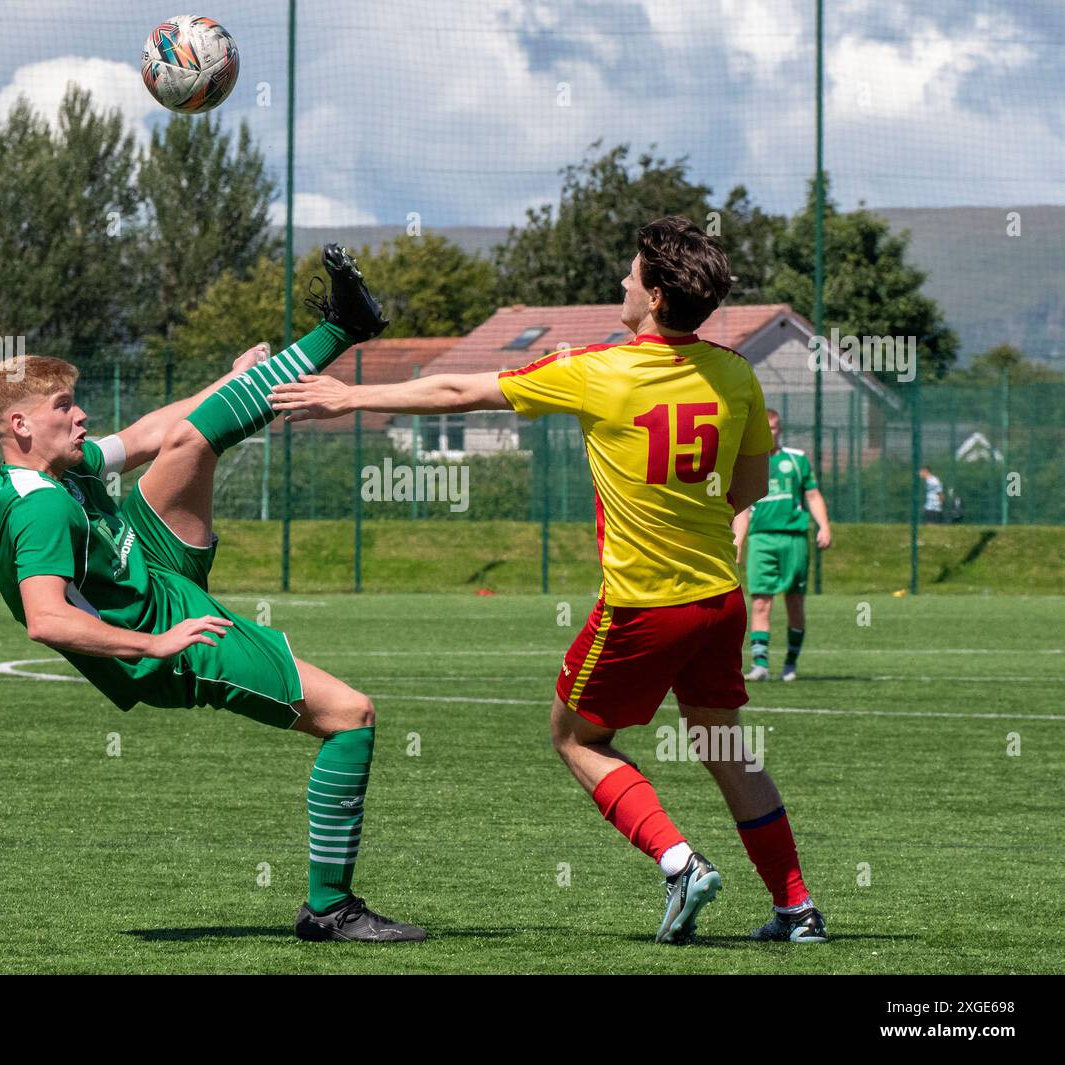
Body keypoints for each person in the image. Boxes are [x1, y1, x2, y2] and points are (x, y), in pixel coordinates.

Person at [271, 217, 827, 944]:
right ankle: (798, 908)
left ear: (656, 296)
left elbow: (460, 392)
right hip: (718, 600)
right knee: (725, 747)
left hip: (643, 605)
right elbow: (744, 489)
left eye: (632, 275)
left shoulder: (602, 369)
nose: (623, 283)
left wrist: (351, 397)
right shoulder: (736, 373)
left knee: (575, 736)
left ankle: (680, 861)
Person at [0, 245, 424, 943]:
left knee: (189, 437)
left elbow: (158, 431)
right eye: (65, 406)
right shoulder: (41, 509)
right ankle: (328, 909)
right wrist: (154, 642)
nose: (82, 414)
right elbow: (45, 619)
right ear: (20, 426)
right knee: (351, 714)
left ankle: (345, 327)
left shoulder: (64, 471)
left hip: (147, 565)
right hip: (164, 631)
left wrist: (226, 384)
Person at [731, 410, 832, 682]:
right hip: (762, 539)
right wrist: (738, 541)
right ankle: (760, 665)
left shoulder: (796, 459)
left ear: (780, 429)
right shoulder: (747, 463)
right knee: (761, 602)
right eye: (766, 428)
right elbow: (742, 507)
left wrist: (824, 526)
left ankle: (790, 663)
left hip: (794, 537)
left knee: (795, 601)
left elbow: (812, 494)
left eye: (775, 428)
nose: (771, 433)